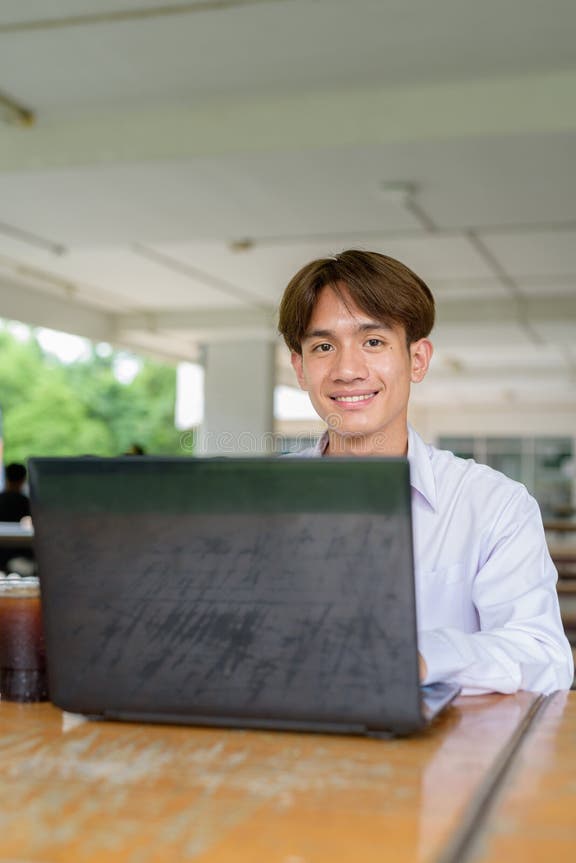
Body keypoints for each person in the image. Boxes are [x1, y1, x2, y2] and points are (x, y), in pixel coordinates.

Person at [278, 249, 574, 695]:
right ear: (300, 368)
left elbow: (544, 658)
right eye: (323, 347)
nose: (347, 370)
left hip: (441, 753)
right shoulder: (257, 499)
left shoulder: (493, 505)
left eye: (373, 342)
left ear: (417, 359)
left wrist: (415, 659)